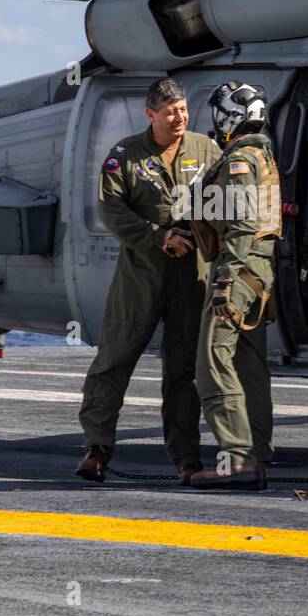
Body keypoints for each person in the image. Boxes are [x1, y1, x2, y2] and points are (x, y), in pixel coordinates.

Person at [75, 77, 221, 484]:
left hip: (191, 275)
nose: (179, 118)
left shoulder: (206, 150)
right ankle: (96, 450)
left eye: (183, 111)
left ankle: (186, 459)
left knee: (184, 369)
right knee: (114, 359)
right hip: (141, 273)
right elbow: (113, 210)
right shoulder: (125, 155)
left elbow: (225, 199)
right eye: (170, 111)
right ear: (151, 114)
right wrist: (159, 238)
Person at [187, 81, 280, 491]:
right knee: (248, 366)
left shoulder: (240, 160)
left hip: (239, 271)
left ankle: (238, 461)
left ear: (228, 117)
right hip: (258, 271)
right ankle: (257, 451)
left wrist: (223, 280)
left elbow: (242, 224)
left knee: (211, 363)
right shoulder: (263, 155)